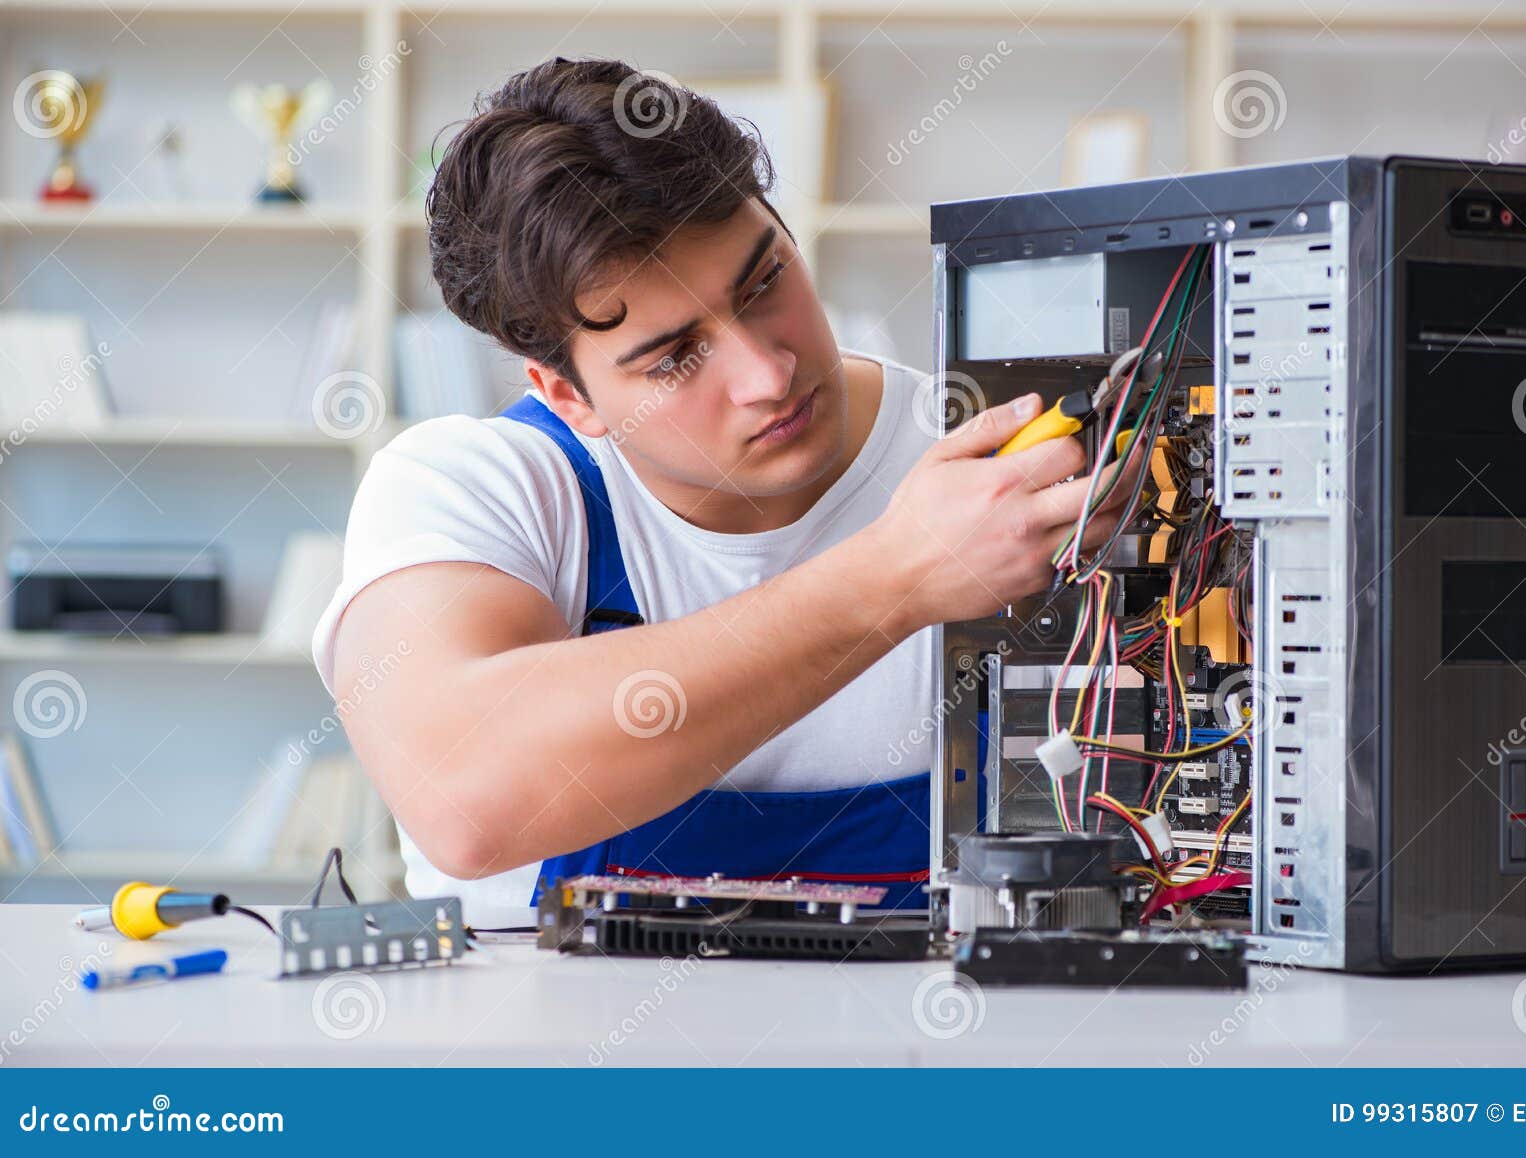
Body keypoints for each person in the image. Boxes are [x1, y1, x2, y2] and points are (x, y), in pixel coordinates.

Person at [312, 57, 1135, 925]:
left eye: (764, 282)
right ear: (568, 395)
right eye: (674, 358)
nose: (768, 372)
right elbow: (467, 804)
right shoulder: (474, 486)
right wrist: (896, 576)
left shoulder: (992, 466)